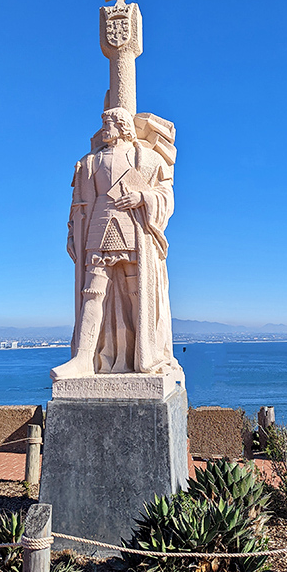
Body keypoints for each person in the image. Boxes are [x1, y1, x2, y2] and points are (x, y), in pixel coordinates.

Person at [51, 107, 182, 380]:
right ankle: (84, 358)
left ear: (122, 125)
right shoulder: (89, 162)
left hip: (133, 228)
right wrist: (73, 234)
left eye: (109, 122)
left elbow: (164, 193)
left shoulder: (144, 157)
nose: (105, 127)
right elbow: (79, 204)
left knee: (138, 292)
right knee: (92, 292)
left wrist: (143, 198)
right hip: (98, 227)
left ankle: (144, 351)